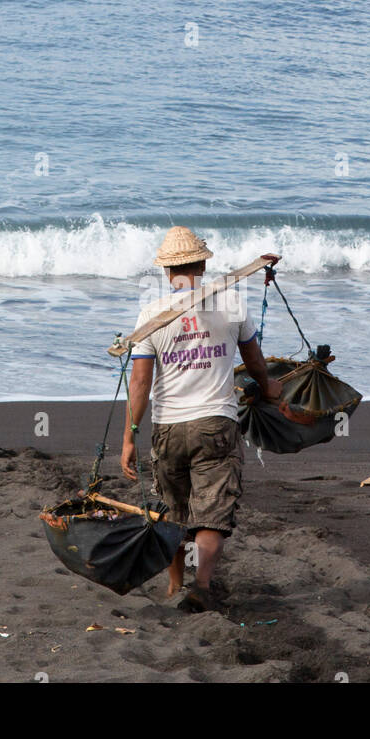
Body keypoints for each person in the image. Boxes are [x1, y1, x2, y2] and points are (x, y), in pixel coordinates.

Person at [120, 226, 282, 612]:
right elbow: (254, 361)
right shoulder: (232, 305)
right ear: (203, 265)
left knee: (174, 512)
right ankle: (202, 585)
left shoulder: (151, 316)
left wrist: (129, 437)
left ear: (166, 272)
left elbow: (141, 382)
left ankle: (175, 585)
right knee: (212, 511)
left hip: (169, 427)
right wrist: (267, 385)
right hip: (216, 423)